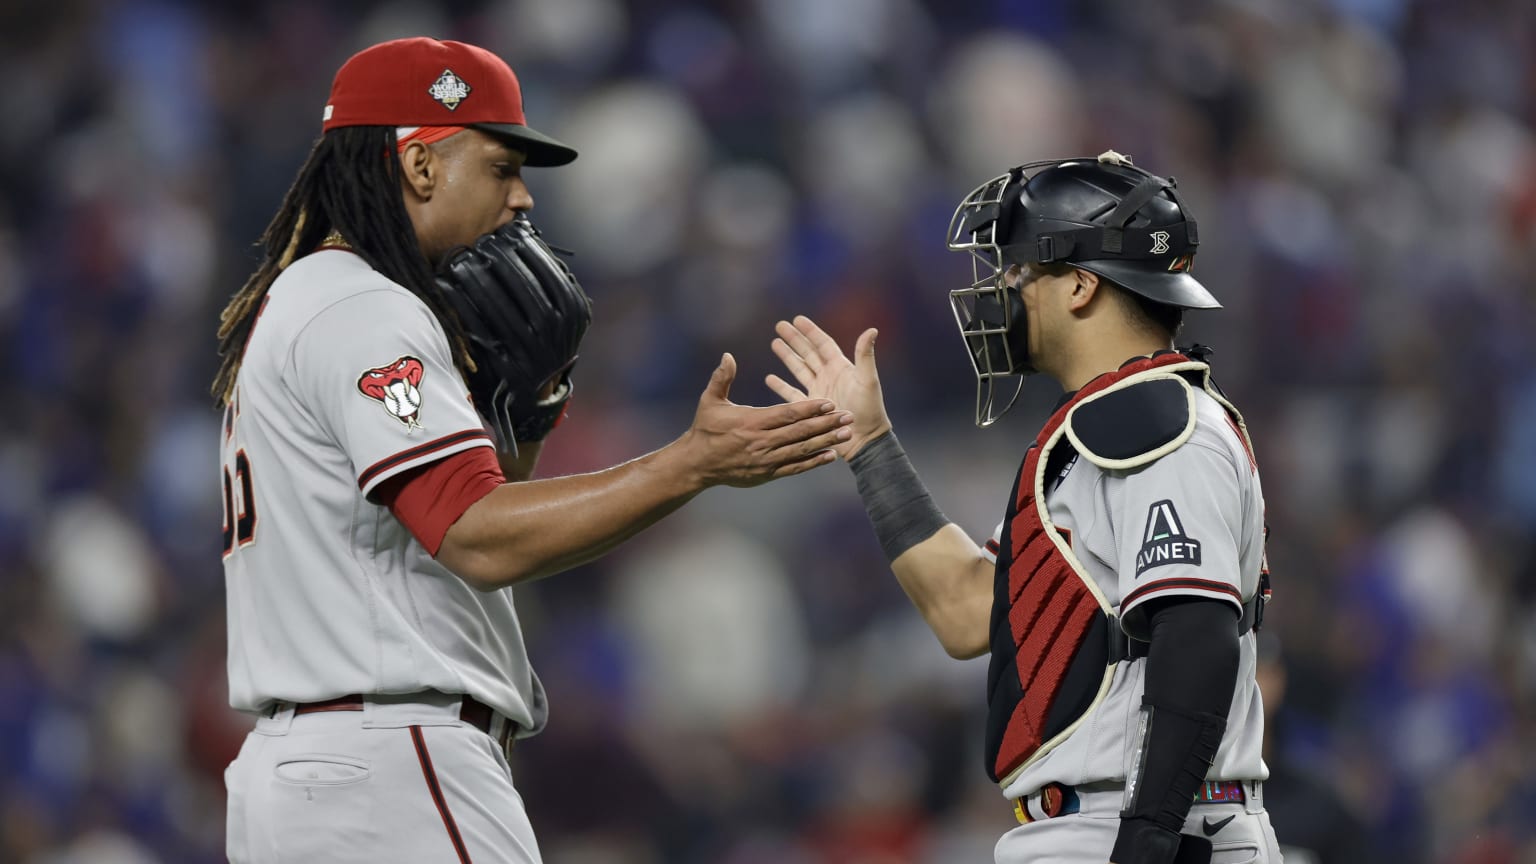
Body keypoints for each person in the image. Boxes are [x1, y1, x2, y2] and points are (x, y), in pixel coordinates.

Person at [213, 37, 852, 864]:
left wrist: (530, 410)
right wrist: (692, 463)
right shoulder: (365, 308)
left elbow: (453, 532)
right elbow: (477, 535)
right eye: (501, 167)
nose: (522, 198)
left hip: (313, 774)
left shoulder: (306, 299)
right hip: (390, 766)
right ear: (420, 165)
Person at [768, 152, 1283, 864]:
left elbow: (1195, 634)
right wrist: (870, 444)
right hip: (1100, 823)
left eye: (1018, 270)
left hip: (1149, 824)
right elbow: (965, 612)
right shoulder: (1100, 427)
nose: (1004, 289)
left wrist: (1147, 837)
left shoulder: (1158, 422)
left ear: (1079, 285)